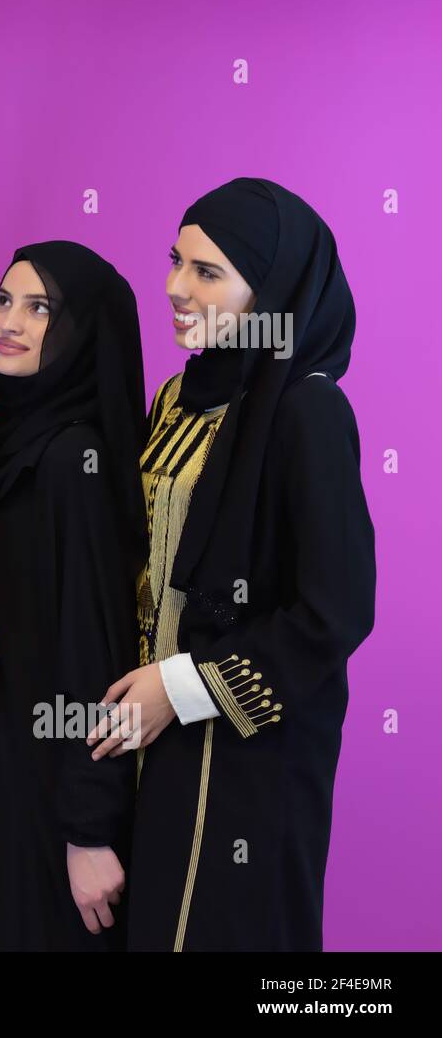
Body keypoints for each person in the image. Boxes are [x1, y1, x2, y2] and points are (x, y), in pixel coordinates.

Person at [88, 179, 376, 951]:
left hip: (248, 751)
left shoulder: (307, 410)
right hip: (153, 736)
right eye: (175, 261)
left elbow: (336, 610)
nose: (176, 288)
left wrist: (179, 689)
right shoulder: (180, 396)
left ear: (272, 291)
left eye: (207, 272)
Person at [0, 241, 145, 950]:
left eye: (39, 307)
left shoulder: (72, 461)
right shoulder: (14, 442)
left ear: (81, 329)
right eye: (3, 300)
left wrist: (89, 829)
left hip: (48, 792)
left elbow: (93, 647)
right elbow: (7, 594)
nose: (7, 322)